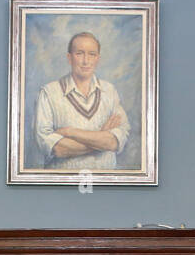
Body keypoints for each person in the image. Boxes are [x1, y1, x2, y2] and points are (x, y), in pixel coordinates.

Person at [34, 31, 130, 172]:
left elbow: (114, 142)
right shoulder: (49, 93)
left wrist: (70, 132)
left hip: (106, 183)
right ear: (69, 58)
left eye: (92, 54)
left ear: (98, 58)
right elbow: (58, 149)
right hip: (61, 184)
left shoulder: (109, 91)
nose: (86, 61)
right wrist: (100, 136)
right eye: (79, 53)